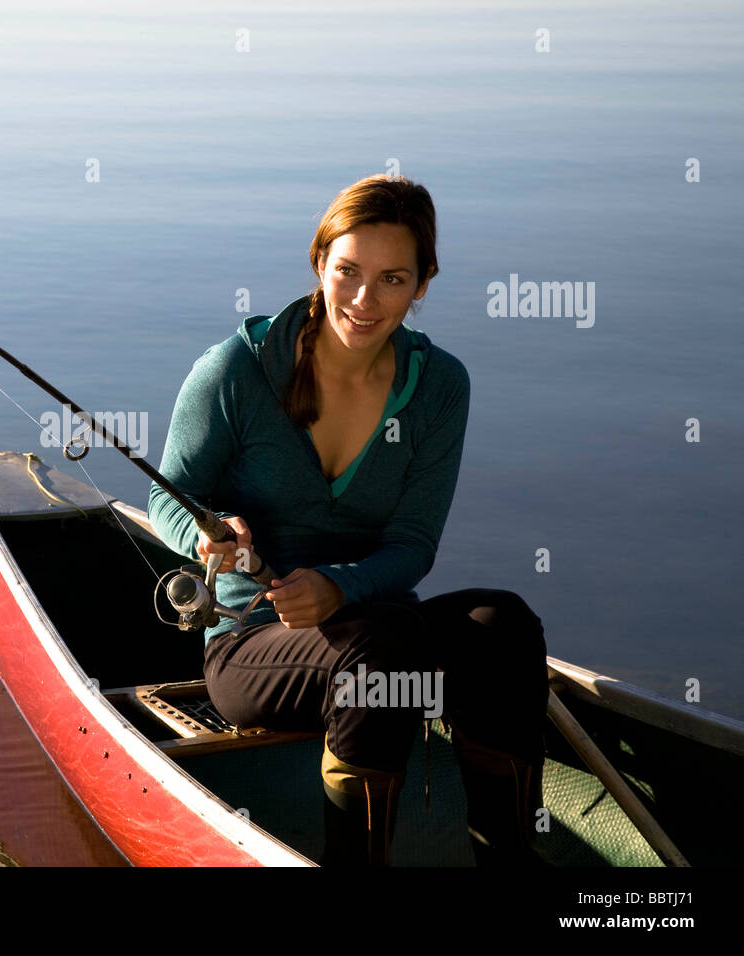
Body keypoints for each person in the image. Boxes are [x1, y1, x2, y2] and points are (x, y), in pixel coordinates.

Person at [147, 174, 548, 866]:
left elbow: (414, 545)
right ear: (319, 264)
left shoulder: (441, 386)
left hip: (386, 635)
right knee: (382, 645)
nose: (364, 301)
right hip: (252, 646)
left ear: (422, 284)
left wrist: (341, 585)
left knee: (502, 624)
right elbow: (167, 499)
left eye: (393, 279)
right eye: (348, 272)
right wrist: (205, 531)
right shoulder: (235, 372)